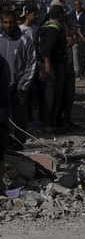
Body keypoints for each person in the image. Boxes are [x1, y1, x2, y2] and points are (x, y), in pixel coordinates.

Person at [0, 10, 35, 147]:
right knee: (2, 118)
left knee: (19, 117)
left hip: (18, 87)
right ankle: (4, 145)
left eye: (11, 22)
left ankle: (19, 145)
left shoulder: (25, 40)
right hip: (1, 88)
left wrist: (23, 84)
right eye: (5, 22)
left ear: (16, 22)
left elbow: (31, 64)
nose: (8, 25)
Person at [38, 5, 73, 132]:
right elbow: (47, 50)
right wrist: (47, 67)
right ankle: (49, 123)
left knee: (58, 94)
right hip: (53, 66)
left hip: (59, 65)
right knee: (52, 95)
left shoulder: (53, 27)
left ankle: (56, 121)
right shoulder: (52, 29)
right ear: (60, 16)